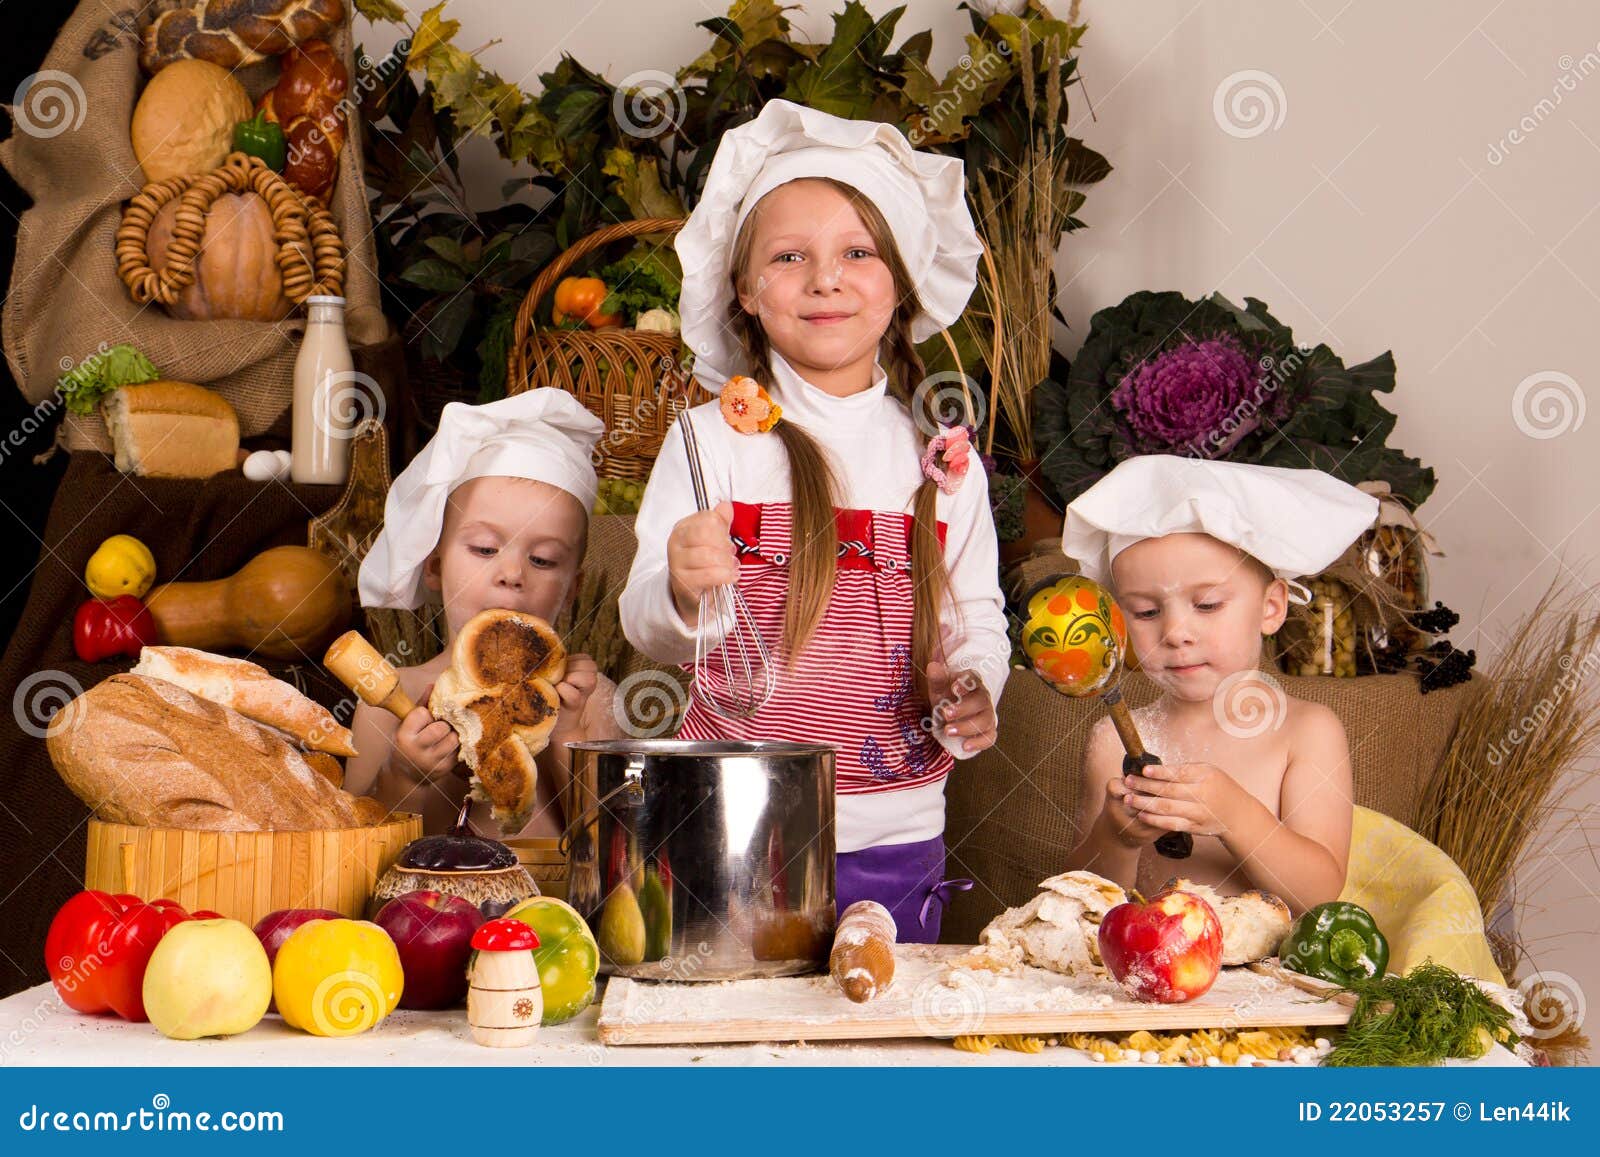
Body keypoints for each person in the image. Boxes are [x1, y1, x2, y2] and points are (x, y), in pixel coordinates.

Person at [619, 99, 1011, 942]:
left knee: (879, 1049)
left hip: (897, 828)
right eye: (790, 256)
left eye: (857, 253)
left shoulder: (941, 462)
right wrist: (681, 591)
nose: (825, 278)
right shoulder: (707, 441)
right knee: (733, 1043)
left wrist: (976, 683)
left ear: (900, 283)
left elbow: (976, 618)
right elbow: (648, 627)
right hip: (729, 818)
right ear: (746, 292)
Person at [1058, 454, 1379, 914]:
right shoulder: (1115, 739)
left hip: (1270, 979)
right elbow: (1084, 902)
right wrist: (1117, 838)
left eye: (1206, 605)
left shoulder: (1307, 732)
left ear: (1271, 608)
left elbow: (1318, 898)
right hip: (1146, 973)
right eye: (1147, 612)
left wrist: (1233, 813)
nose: (1175, 633)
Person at [346, 390, 621, 838]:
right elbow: (354, 844)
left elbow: (609, 838)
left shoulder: (592, 698)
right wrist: (404, 776)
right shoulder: (389, 699)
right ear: (434, 567)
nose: (512, 573)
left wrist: (568, 732)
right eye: (485, 549)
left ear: (573, 588)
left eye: (544, 559)